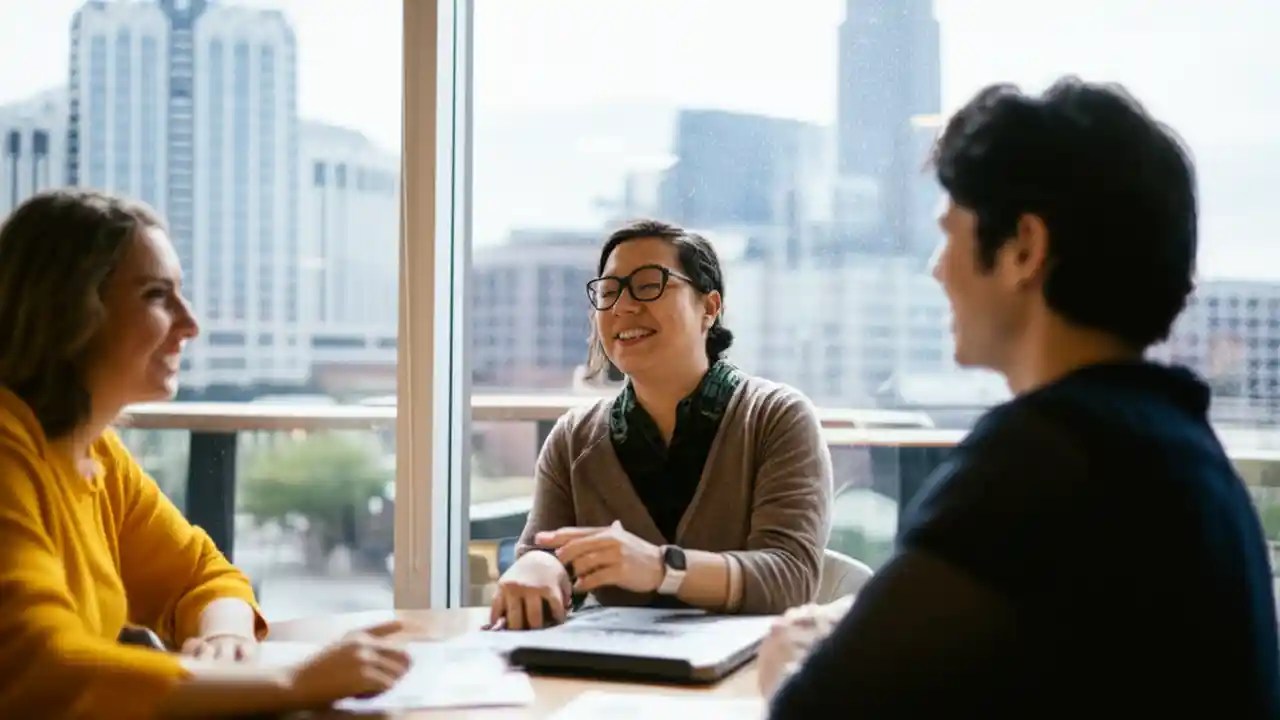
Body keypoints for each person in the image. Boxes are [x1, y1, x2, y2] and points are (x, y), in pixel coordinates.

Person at [767, 77, 1280, 718]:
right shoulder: (1183, 450)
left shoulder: (1042, 456)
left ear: (1024, 249)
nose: (936, 267)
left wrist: (791, 659)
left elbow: (814, 711)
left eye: (949, 232)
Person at [0, 190, 413, 718]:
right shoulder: (8, 451)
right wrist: (289, 682)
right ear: (68, 310)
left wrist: (224, 640)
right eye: (157, 295)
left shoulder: (94, 451)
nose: (190, 324)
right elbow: (40, 670)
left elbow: (202, 575)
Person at [488, 219, 833, 630]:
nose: (622, 307)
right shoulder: (574, 438)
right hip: (613, 663)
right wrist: (538, 568)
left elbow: (791, 578)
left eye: (649, 285)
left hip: (747, 666)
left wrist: (660, 567)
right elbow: (542, 554)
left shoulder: (775, 417)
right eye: (609, 292)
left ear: (709, 308)